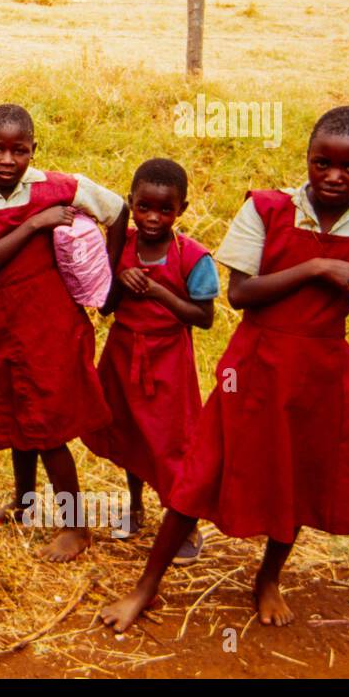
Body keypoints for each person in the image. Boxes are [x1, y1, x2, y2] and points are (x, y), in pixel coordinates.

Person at [101, 107, 349, 633]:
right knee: (201, 469)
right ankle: (146, 587)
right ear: (308, 160)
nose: (334, 177)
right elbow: (241, 293)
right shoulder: (268, 211)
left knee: (295, 473)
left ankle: (268, 579)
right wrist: (319, 268)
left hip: (321, 368)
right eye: (322, 163)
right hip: (253, 363)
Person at [0, 103, 127, 561]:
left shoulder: (59, 187)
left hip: (53, 321)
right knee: (17, 411)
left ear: (33, 151)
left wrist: (105, 283)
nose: (7, 161)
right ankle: (24, 503)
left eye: (19, 151)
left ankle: (76, 526)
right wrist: (34, 224)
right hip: (6, 319)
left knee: (48, 425)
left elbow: (118, 210)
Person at [82, 158, 217, 562]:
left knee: (171, 443)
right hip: (123, 352)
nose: (153, 218)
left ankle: (186, 524)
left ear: (183, 209)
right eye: (144, 208)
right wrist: (120, 285)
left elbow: (204, 318)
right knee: (129, 434)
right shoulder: (121, 246)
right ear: (131, 203)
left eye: (165, 210)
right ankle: (136, 507)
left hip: (168, 359)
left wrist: (158, 293)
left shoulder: (193, 256)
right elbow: (104, 307)